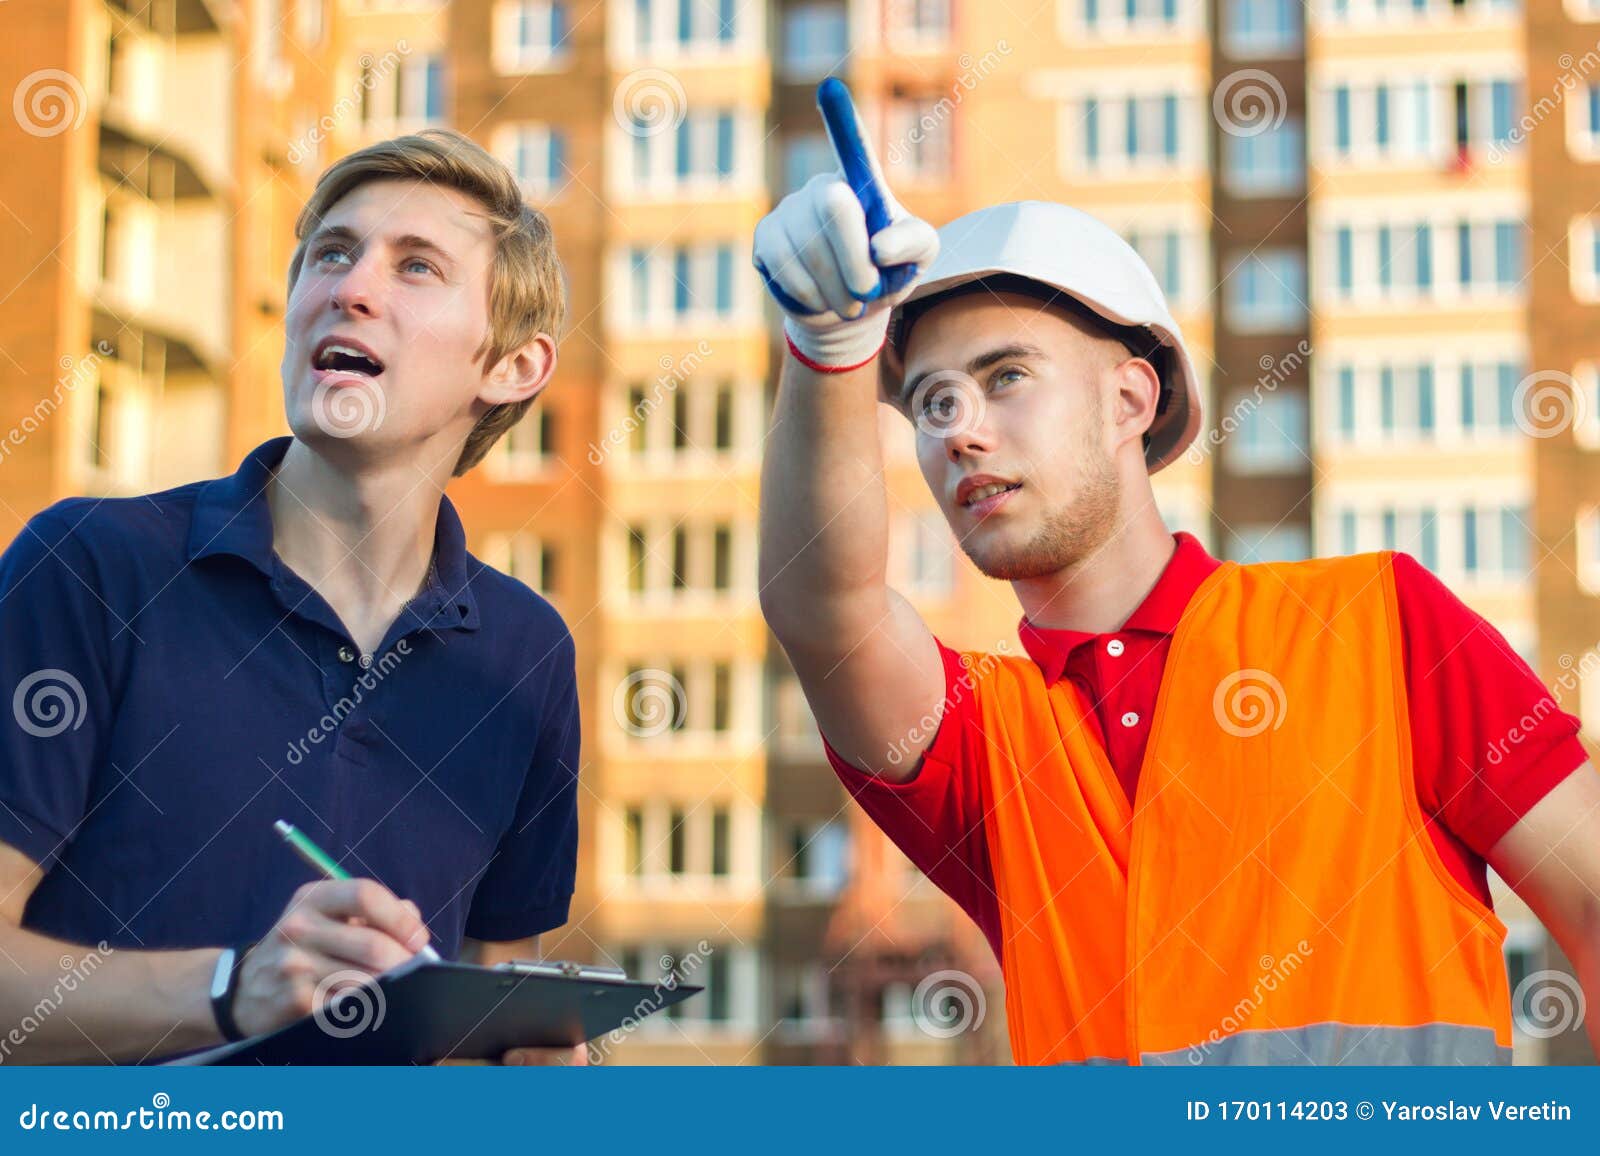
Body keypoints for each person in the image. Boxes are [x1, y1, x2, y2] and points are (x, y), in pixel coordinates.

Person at [753, 166, 1600, 1064]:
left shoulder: (1379, 622)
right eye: (933, 401)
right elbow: (826, 611)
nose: (960, 429)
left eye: (1006, 377)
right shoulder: (983, 744)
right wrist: (829, 347)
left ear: (1130, 400)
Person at [0, 130, 581, 1065]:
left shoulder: (528, 654)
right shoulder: (90, 564)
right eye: (333, 254)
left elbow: (497, 1005)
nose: (352, 287)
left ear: (511, 367)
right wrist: (235, 988)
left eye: (417, 267)